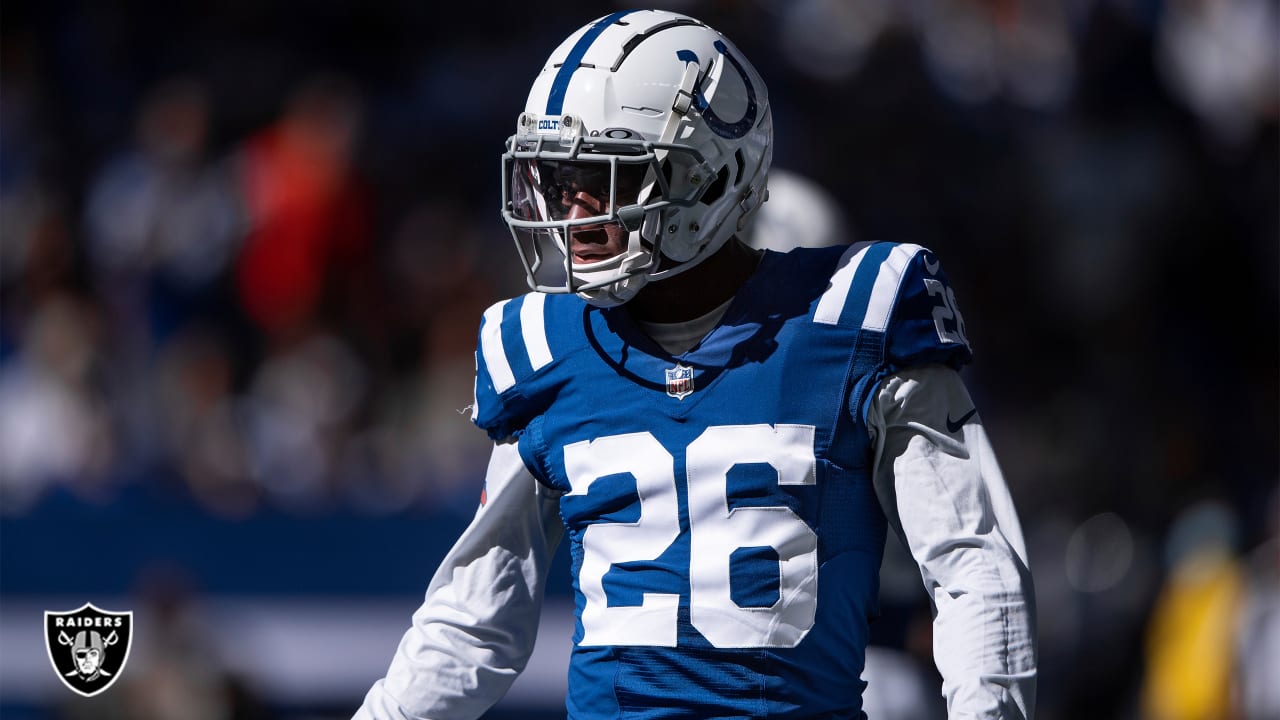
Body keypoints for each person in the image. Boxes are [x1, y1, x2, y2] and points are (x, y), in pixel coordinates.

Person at [356, 9, 1036, 719]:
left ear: (711, 177)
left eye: (606, 177)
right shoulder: (542, 348)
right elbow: (472, 622)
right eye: (560, 179)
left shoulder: (856, 315)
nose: (574, 209)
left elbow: (974, 564)